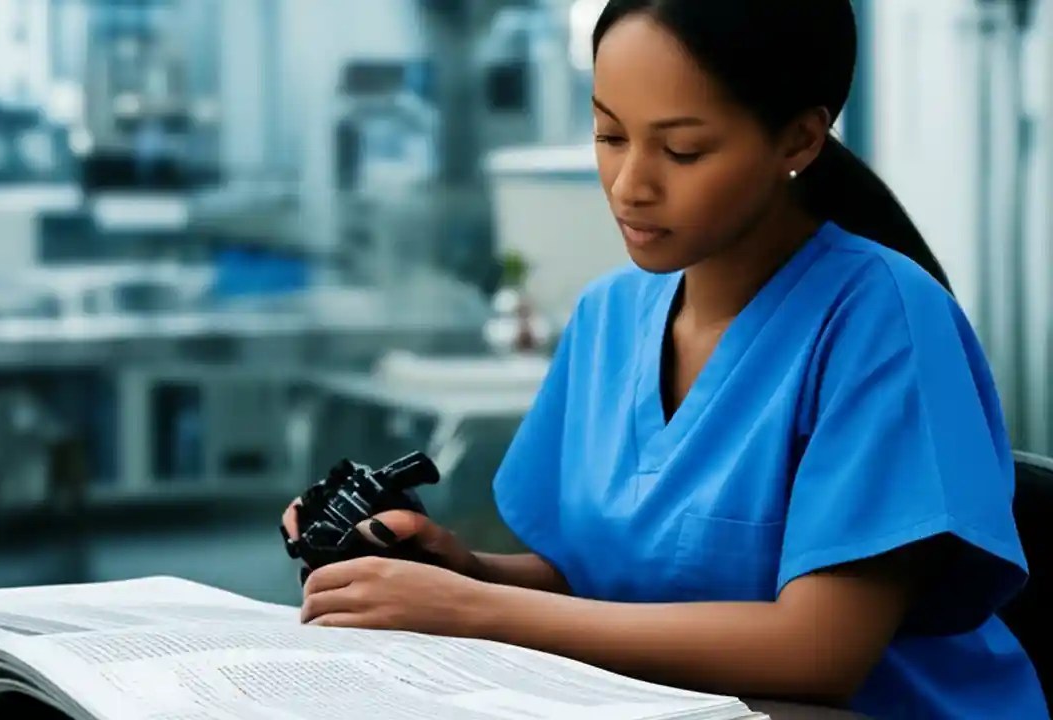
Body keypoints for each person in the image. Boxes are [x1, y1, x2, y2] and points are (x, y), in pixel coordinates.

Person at [281, 0, 1049, 717]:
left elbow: (819, 652)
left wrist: (479, 612)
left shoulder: (883, 319)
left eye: (681, 149)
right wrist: (452, 569)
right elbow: (587, 581)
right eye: (610, 135)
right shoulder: (608, 315)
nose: (629, 184)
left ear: (800, 140)